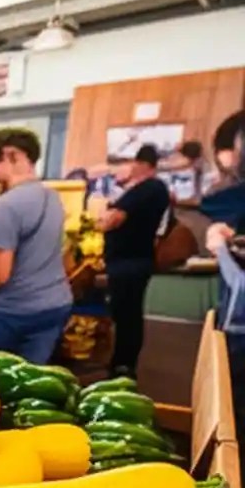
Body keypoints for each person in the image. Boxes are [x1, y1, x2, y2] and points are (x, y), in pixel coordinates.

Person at [0, 128, 74, 364]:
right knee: (31, 381)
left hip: (10, 312)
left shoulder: (5, 207)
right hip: (55, 304)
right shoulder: (53, 198)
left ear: (10, 156)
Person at [98, 144, 170, 377]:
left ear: (141, 164)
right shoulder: (154, 189)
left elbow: (113, 220)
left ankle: (123, 365)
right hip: (134, 260)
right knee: (127, 313)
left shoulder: (148, 188)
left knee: (126, 315)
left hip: (129, 263)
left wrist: (100, 220)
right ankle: (123, 362)